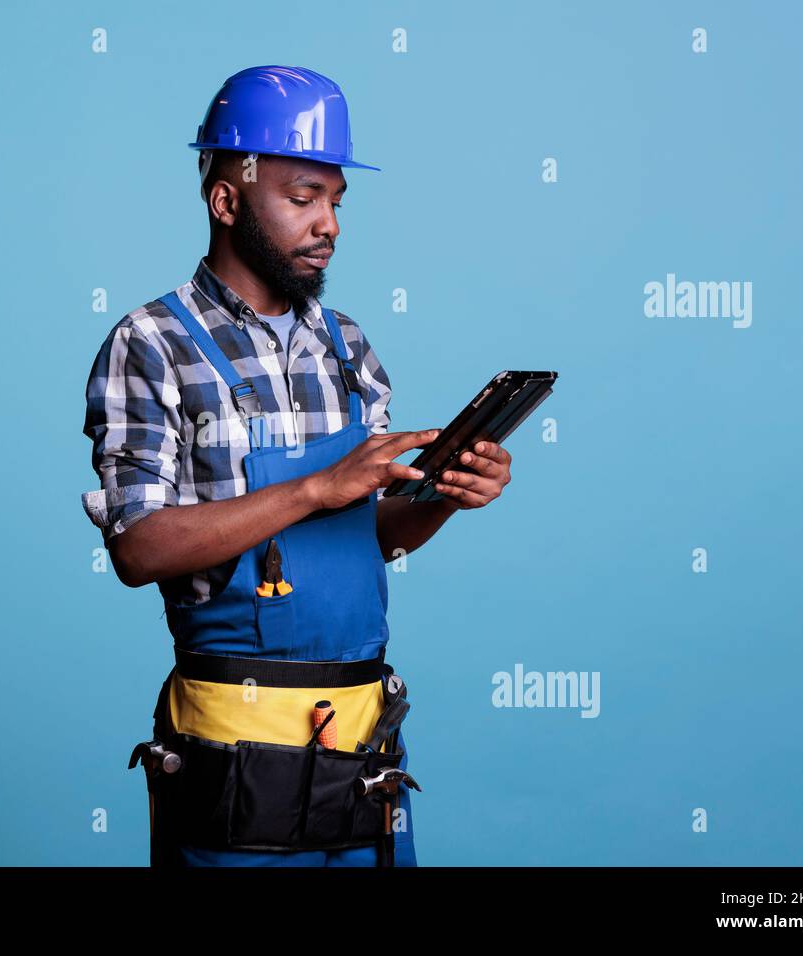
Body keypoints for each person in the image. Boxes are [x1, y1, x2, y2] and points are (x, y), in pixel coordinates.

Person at [81, 65, 513, 867]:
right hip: (232, 760)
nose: (330, 225)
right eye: (303, 197)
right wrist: (316, 486)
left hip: (362, 749)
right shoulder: (151, 345)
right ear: (228, 199)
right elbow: (139, 548)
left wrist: (446, 495)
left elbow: (372, 533)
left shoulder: (346, 346)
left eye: (337, 202)